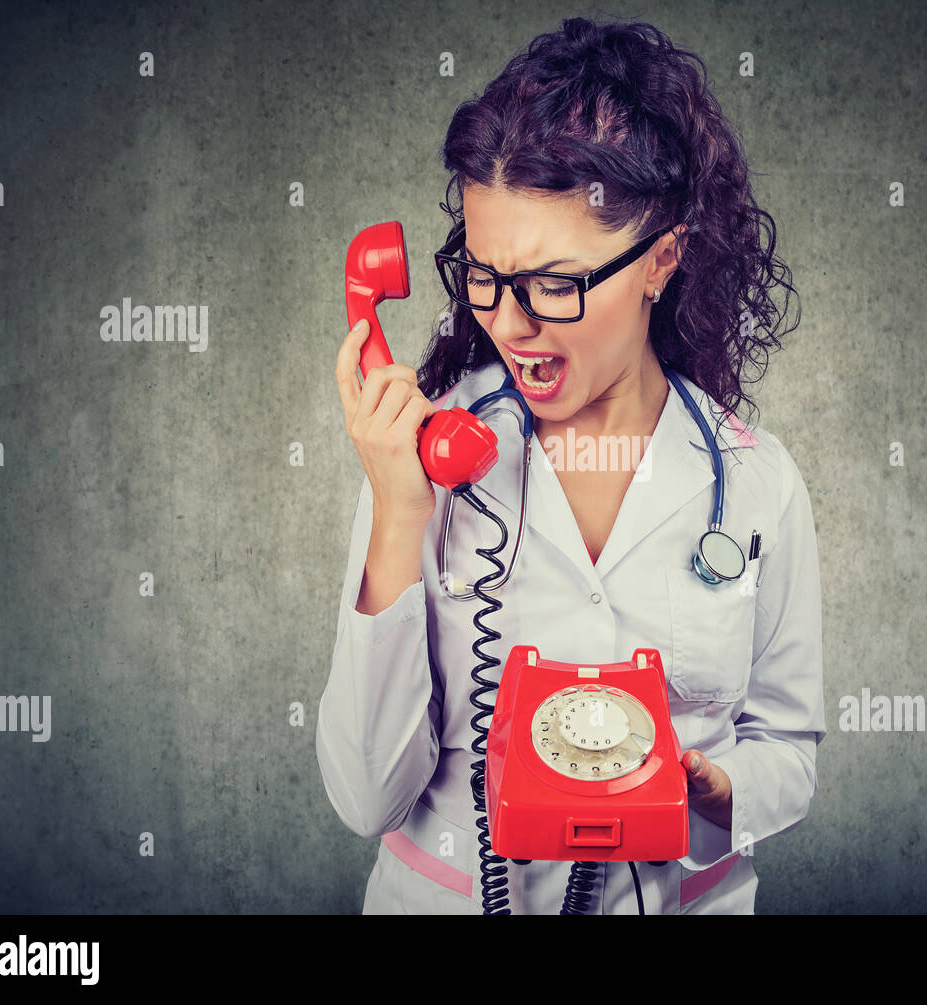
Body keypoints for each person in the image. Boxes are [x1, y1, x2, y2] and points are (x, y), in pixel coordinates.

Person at [318, 16, 825, 914]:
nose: (509, 324)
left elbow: (786, 742)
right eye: (484, 276)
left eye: (555, 284)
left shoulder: (756, 483)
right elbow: (365, 799)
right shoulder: (425, 462)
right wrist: (401, 515)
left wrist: (717, 791)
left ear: (660, 260)